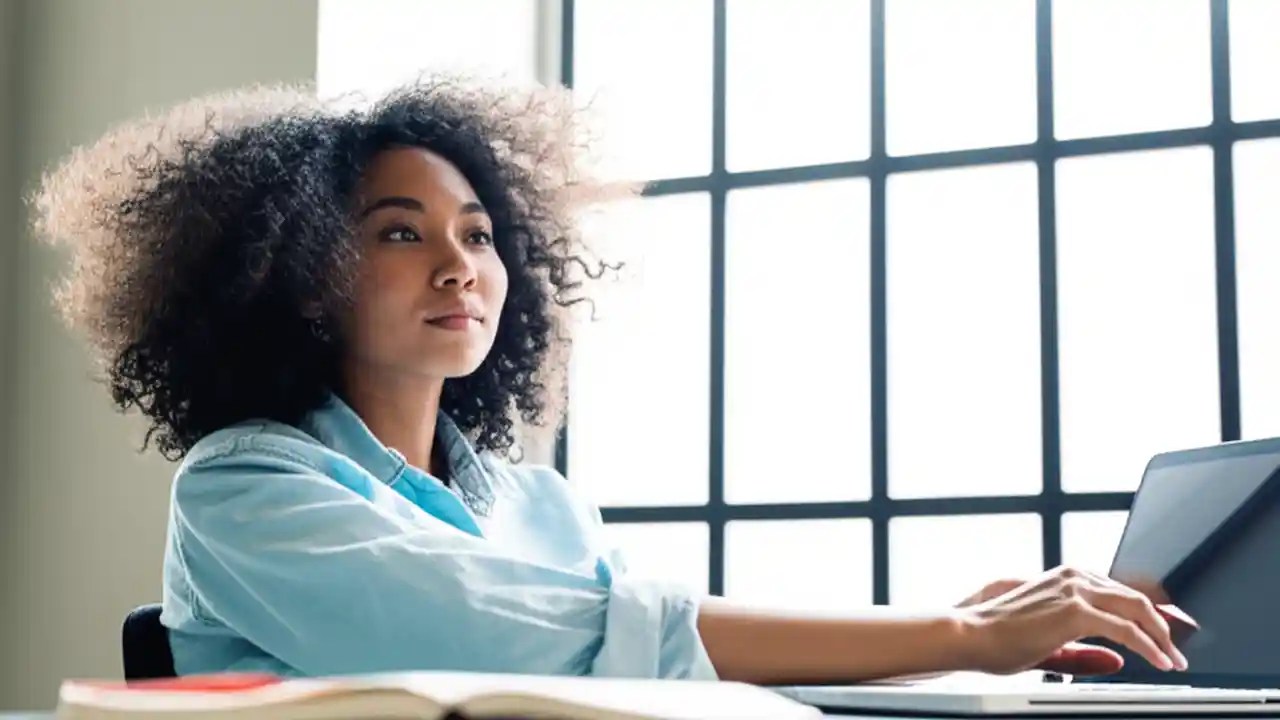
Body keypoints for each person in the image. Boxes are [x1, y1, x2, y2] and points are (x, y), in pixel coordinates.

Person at [33, 78, 1190, 683]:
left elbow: (664, 662)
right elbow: (549, 638)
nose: (457, 264)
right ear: (299, 278)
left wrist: (970, 631)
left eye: (481, 234)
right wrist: (946, 630)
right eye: (399, 233)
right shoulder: (244, 486)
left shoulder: (536, 503)